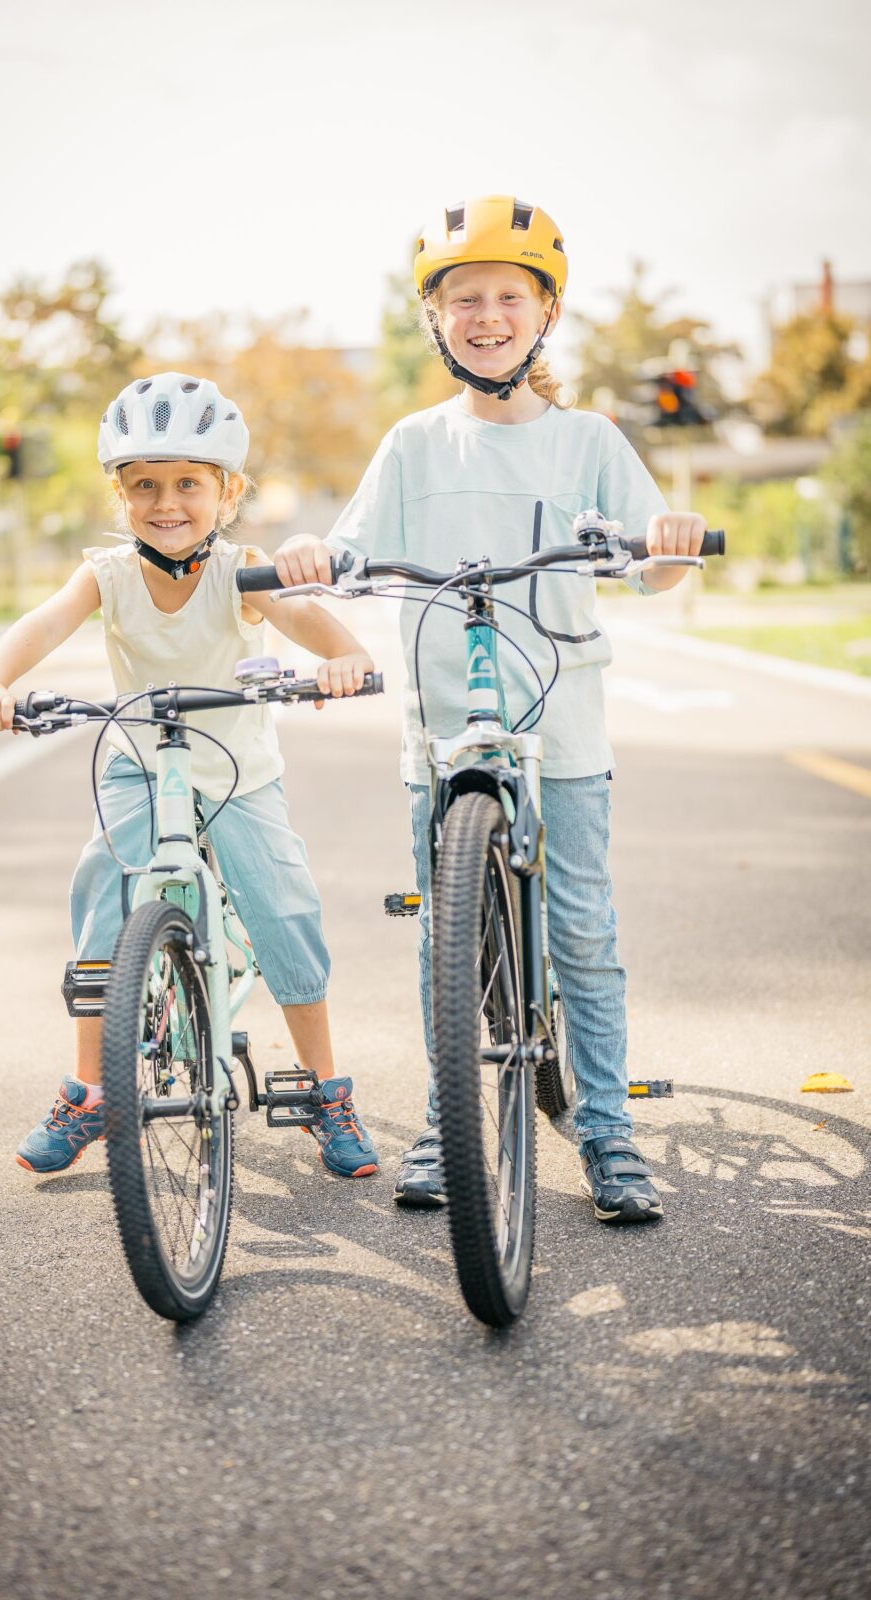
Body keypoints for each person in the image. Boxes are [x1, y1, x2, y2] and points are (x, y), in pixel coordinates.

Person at [274, 195, 707, 1223]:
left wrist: (669, 542)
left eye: (509, 296)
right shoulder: (413, 444)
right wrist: (313, 554)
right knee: (445, 937)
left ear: (544, 312)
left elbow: (649, 563)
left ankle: (605, 1130)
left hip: (560, 726)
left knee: (581, 929)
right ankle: (445, 1120)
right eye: (463, 299)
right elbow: (347, 550)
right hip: (443, 732)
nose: (486, 316)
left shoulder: (587, 440)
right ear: (436, 319)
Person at [0, 371, 379, 1180]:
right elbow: (43, 624)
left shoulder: (241, 569)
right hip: (138, 764)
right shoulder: (106, 574)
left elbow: (307, 619)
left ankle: (323, 1089)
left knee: (283, 906)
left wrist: (347, 658)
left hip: (237, 771)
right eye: (144, 485)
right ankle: (90, 1092)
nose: (166, 502)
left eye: (188, 483)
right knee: (100, 892)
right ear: (119, 495)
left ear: (228, 492)